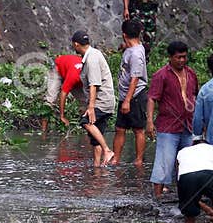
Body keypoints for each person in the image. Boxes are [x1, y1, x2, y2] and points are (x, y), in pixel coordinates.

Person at [147, 41, 197, 197]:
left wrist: (200, 121)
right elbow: (152, 98)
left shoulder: (191, 74)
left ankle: (185, 195)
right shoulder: (161, 75)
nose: (181, 60)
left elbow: (195, 96)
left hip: (188, 125)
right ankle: (157, 197)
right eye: (178, 57)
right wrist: (149, 122)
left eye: (184, 57)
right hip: (168, 126)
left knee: (187, 162)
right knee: (164, 162)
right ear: (170, 57)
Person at [71, 30, 117, 166]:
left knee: (85, 122)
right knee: (96, 139)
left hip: (102, 102)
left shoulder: (91, 58)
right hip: (103, 101)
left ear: (76, 44)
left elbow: (94, 84)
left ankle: (107, 150)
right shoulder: (93, 54)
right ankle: (97, 169)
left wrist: (90, 108)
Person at [112, 19, 149, 165]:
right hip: (125, 95)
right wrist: (124, 46)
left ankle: (139, 160)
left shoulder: (135, 54)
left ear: (124, 35)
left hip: (135, 96)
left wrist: (127, 100)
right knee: (119, 128)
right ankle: (116, 158)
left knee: (138, 129)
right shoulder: (133, 47)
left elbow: (135, 78)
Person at [41, 53, 84, 132]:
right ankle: (43, 130)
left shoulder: (91, 76)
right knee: (50, 100)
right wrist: (62, 116)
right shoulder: (74, 76)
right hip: (58, 69)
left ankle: (86, 126)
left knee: (85, 102)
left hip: (70, 68)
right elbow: (63, 94)